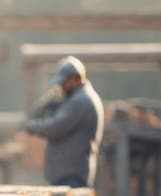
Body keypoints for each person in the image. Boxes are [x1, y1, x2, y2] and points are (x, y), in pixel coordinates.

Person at [25, 56, 104, 188]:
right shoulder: (74, 99)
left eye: (64, 82)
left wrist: (34, 127)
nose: (61, 86)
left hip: (72, 175)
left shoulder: (80, 101)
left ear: (76, 79)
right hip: (68, 174)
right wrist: (47, 103)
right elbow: (40, 113)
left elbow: (56, 128)